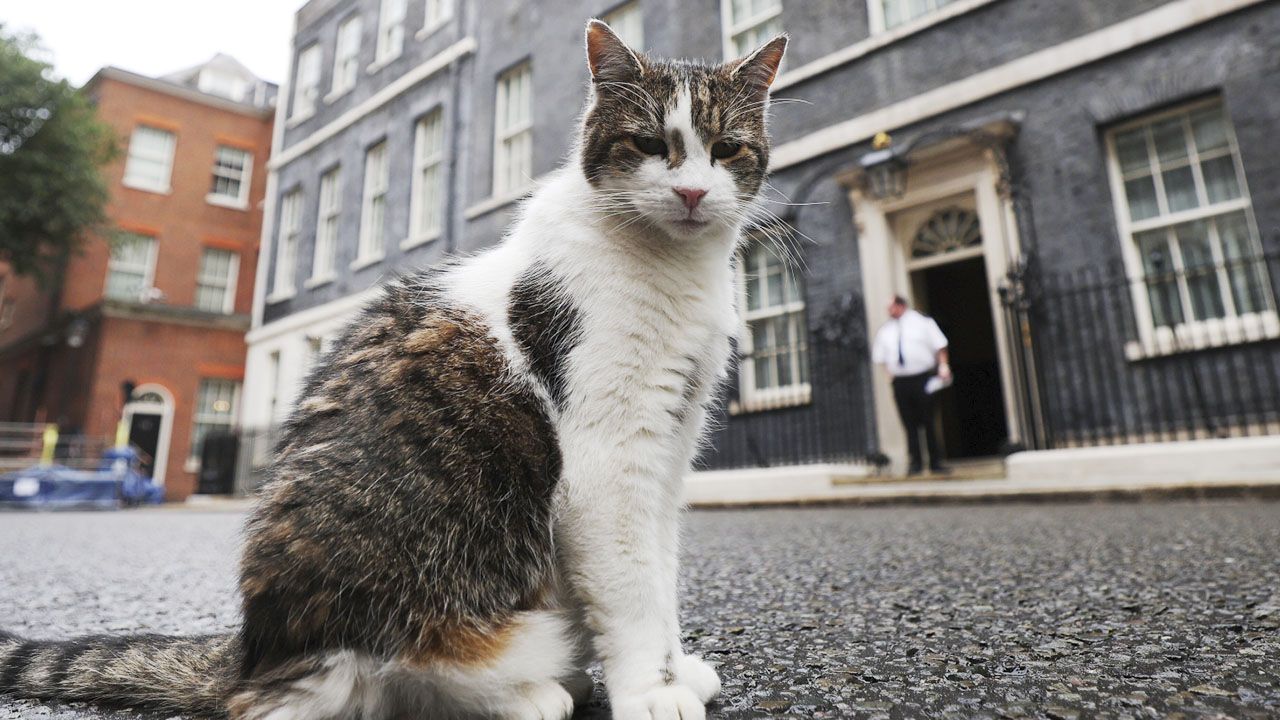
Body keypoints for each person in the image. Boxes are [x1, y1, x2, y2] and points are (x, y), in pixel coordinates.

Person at [872, 295, 952, 475]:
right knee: (909, 423)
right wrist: (889, 376)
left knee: (928, 420)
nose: (888, 311)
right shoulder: (886, 330)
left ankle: (935, 462)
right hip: (901, 382)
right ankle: (915, 463)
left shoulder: (923, 323)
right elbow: (880, 357)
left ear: (900, 305)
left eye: (891, 307)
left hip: (923, 378)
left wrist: (943, 366)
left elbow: (940, 345)